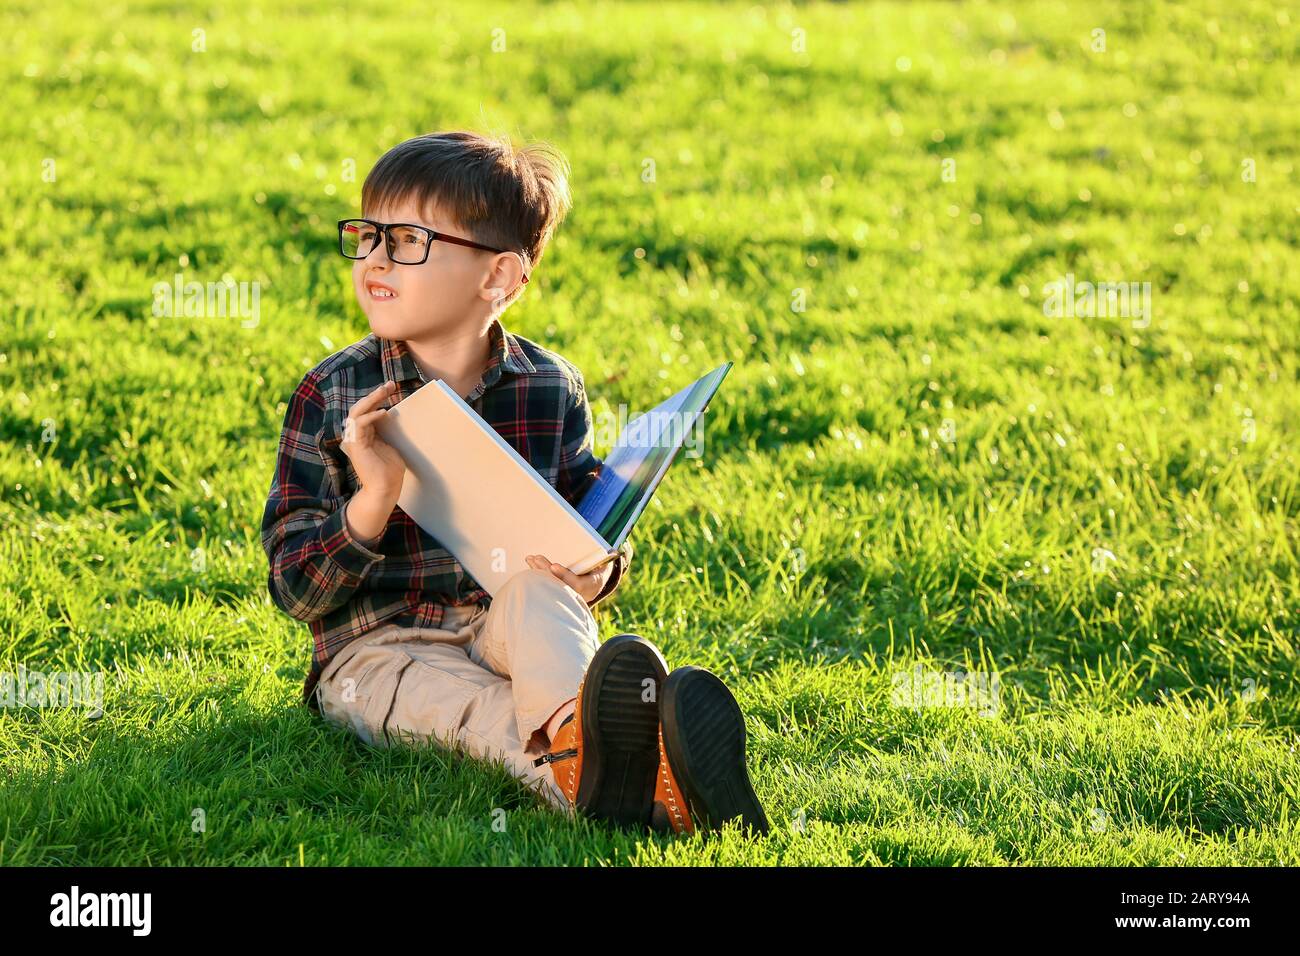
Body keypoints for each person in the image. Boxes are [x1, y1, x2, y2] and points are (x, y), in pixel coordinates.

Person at [260, 130, 766, 835]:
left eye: (407, 240)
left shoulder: (550, 388)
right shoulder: (335, 393)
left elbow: (587, 525)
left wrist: (595, 573)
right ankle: (619, 773)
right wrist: (370, 505)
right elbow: (294, 589)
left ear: (497, 278)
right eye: (368, 235)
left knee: (542, 600)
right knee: (466, 708)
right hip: (377, 653)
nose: (375, 257)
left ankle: (595, 745)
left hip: (496, 623)